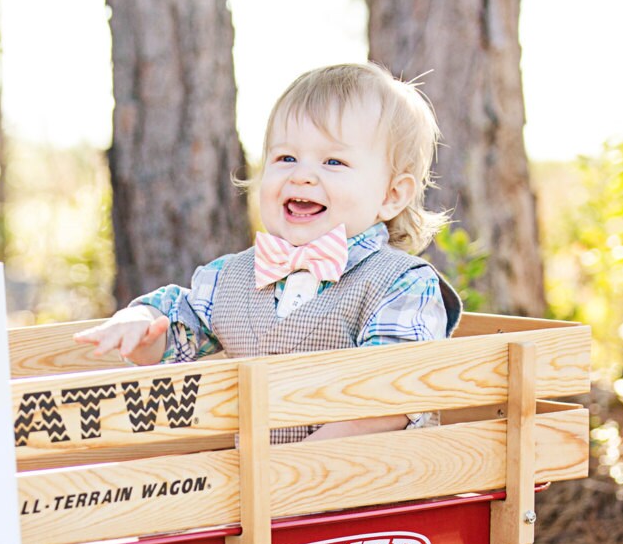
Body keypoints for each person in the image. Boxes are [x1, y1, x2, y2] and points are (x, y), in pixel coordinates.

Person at [73, 61, 462, 442]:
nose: (301, 175)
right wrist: (144, 327)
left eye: (334, 161)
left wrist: (288, 469)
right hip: (255, 479)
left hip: (364, 481)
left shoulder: (401, 285)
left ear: (392, 195)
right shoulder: (232, 277)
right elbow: (177, 330)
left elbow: (386, 402)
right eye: (286, 158)